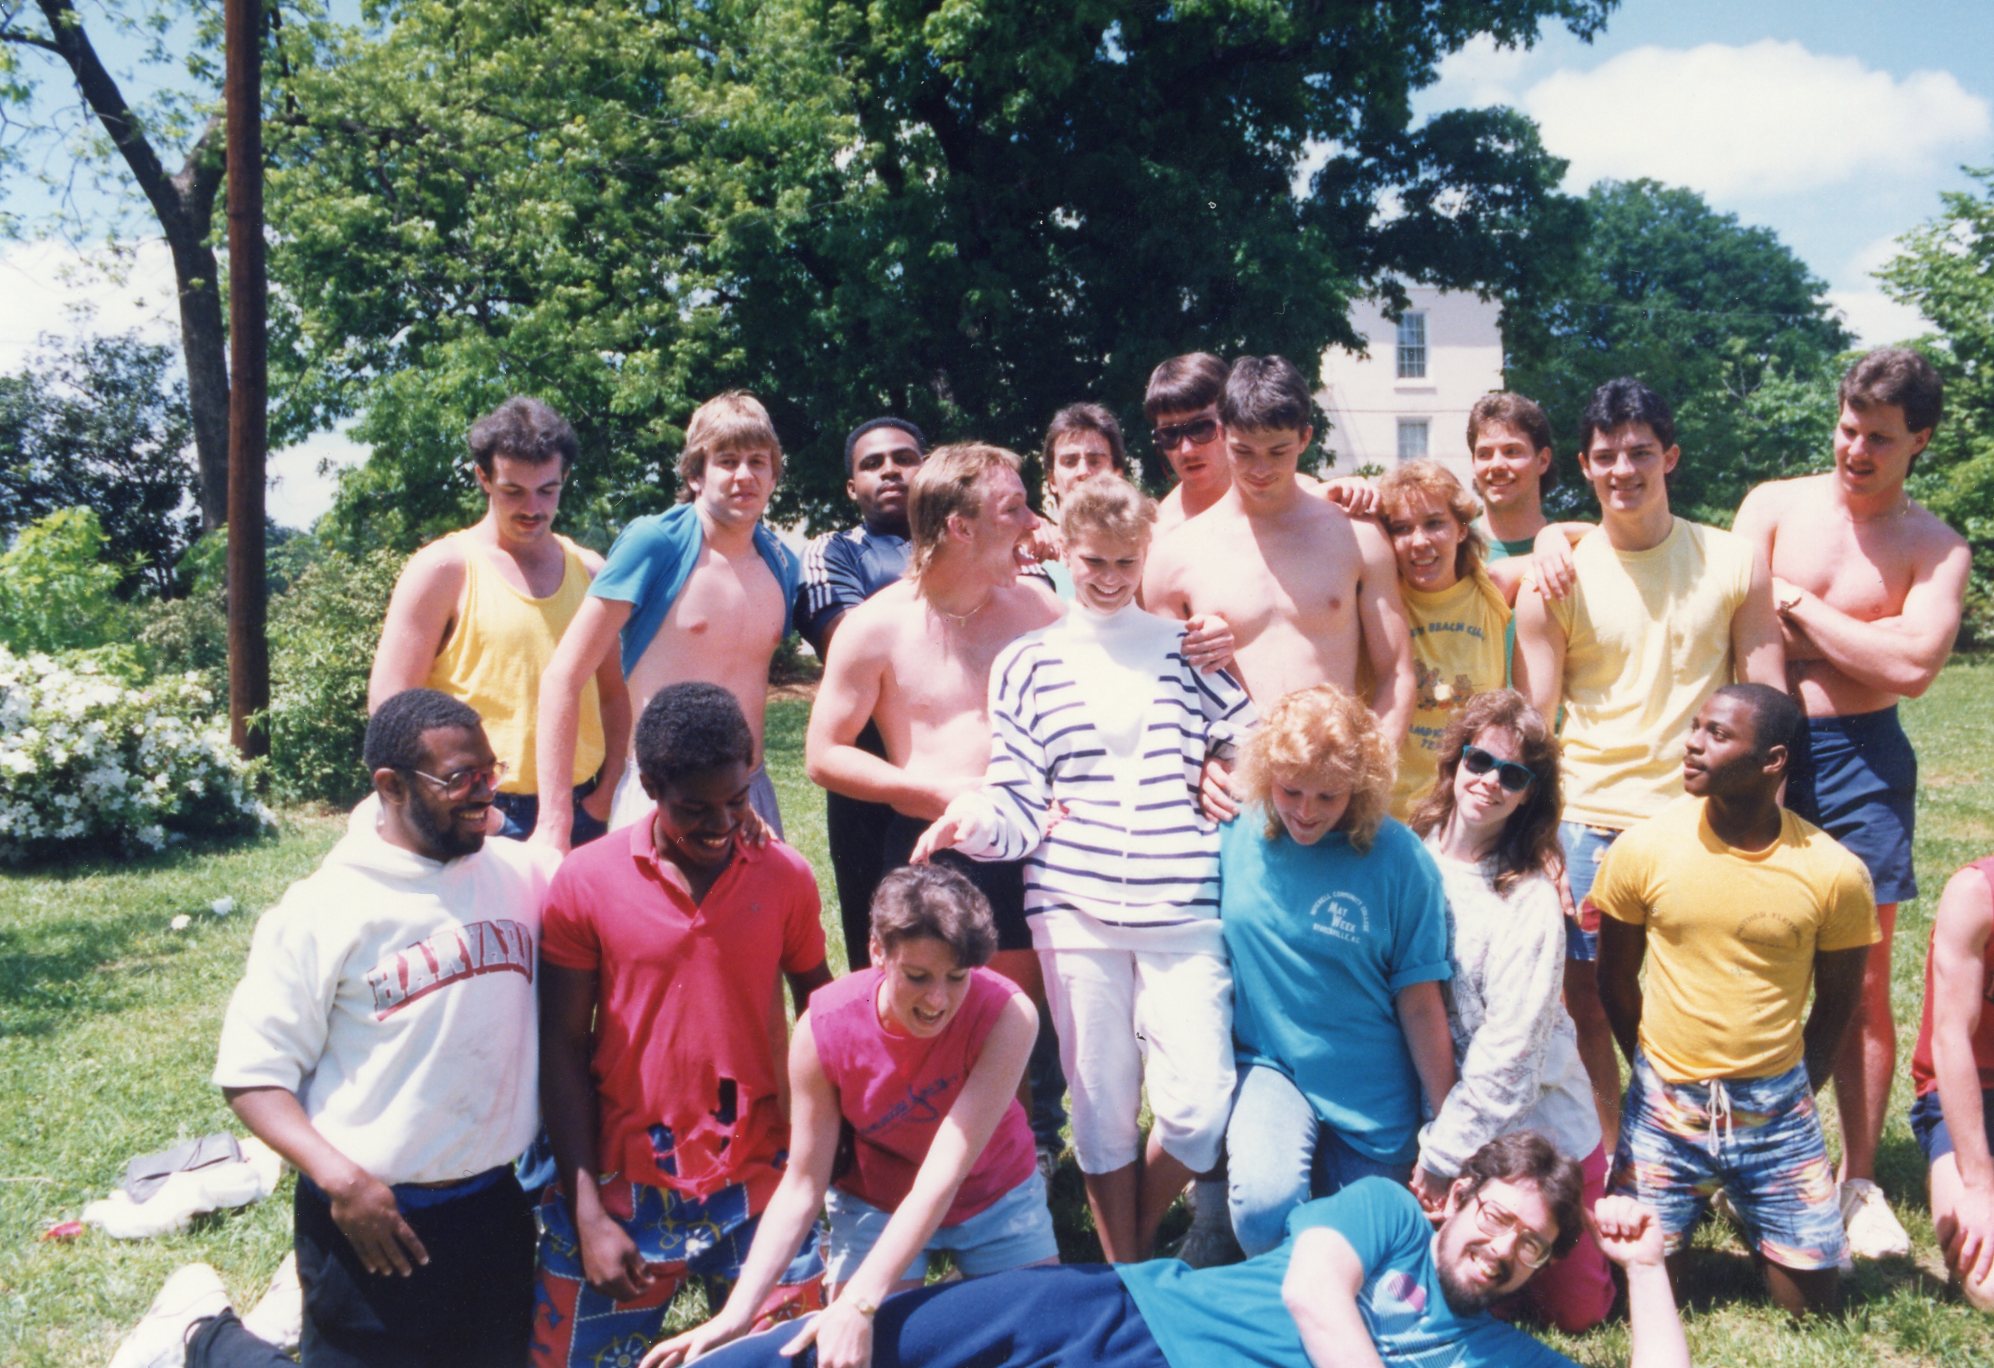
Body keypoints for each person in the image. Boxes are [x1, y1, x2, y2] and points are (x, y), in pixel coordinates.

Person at [914, 475, 1253, 1262]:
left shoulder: (1186, 647)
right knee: (1101, 1113)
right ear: (1064, 552)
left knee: (1200, 1112)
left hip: (1185, 909)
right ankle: (1126, 1275)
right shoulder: (1026, 663)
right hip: (1071, 911)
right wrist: (971, 821)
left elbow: (1252, 736)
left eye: (1126, 561)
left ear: (1146, 553)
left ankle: (1127, 1244)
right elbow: (1018, 797)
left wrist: (1229, 761)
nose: (1108, 577)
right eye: (1093, 560)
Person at [180, 690, 553, 1366]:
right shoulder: (326, 908)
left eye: (489, 772)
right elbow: (252, 1075)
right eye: (460, 778)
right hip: (371, 1219)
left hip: (494, 1208)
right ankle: (204, 1336)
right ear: (392, 785)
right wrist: (344, 1183)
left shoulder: (519, 874)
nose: (484, 793)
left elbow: (619, 880)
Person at [655, 1133, 1693, 1368]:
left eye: (1529, 1244)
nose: (1501, 1248)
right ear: (1454, 1197)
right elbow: (1312, 1293)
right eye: (1495, 1217)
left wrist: (1645, 1269)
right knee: (889, 1339)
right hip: (1127, 1312)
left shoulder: (1496, 1354)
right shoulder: (1386, 1210)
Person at [1733, 347, 1970, 1260]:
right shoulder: (1772, 506)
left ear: (1920, 441)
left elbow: (1912, 667)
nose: (1856, 451)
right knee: (1743, 957)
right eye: (1847, 429)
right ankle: (1747, 1159)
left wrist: (1796, 606)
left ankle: (1860, 1180)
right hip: (1761, 744)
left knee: (1861, 976)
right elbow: (1738, 624)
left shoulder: (1936, 548)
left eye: (1880, 438)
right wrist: (1857, 639)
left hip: (1865, 759)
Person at [1512, 376, 1785, 1152]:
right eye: (1605, 456)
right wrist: (1540, 837)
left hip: (1699, 819)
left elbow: (1769, 701)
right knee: (1588, 1004)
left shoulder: (1733, 561)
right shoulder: (1555, 579)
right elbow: (1534, 725)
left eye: (1639, 452)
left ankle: (1713, 1150)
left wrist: (1767, 827)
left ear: (1671, 456)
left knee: (1705, 998)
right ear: (1584, 466)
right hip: (1588, 818)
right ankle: (1617, 1160)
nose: (1622, 470)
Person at [644, 864, 1056, 1368]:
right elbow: (803, 1184)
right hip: (876, 1201)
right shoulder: (824, 1029)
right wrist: (736, 1315)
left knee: (1038, 1340)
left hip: (993, 1195)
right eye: (918, 976)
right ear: (877, 951)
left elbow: (941, 1177)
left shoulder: (1009, 1015)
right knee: (851, 1351)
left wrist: (860, 1300)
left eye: (957, 977)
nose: (938, 1000)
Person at [532, 683, 834, 1368]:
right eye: (694, 809)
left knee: (795, 1357)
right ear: (650, 788)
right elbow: (562, 1046)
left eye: (737, 800)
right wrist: (587, 1212)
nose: (720, 825)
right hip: (622, 1181)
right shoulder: (587, 880)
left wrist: (823, 1150)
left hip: (759, 1177)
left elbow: (821, 1011)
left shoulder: (783, 876)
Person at [1593, 683, 1876, 1316]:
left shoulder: (1833, 872)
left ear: (1773, 761)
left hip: (1776, 1110)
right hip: (1664, 1107)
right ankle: (1709, 1200)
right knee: (1638, 1292)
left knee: (1811, 1308)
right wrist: (1654, 1070)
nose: (1693, 744)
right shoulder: (1644, 848)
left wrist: (1793, 1092)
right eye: (1696, 727)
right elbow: (1613, 979)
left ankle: (1761, 1206)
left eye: (1718, 734)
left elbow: (1837, 1004)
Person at [1221, 683, 1455, 1256]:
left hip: (1370, 1087)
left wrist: (1448, 1131)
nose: (1305, 812)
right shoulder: (1233, 830)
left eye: (1329, 796)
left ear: (1362, 785)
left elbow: (1421, 1003)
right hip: (1273, 1066)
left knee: (1373, 1248)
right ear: (1265, 774)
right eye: (1290, 790)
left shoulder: (1400, 859)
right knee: (1261, 1215)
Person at [1406, 690, 1613, 1333]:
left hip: (1540, 1126)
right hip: (1428, 1110)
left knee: (1576, 1314)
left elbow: (1511, 1057)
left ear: (1529, 795)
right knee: (1454, 1300)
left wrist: (1443, 1158)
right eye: (1479, 761)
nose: (1490, 781)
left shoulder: (1528, 897)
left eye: (1513, 775)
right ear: (1454, 761)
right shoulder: (1407, 855)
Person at [534, 391, 801, 850]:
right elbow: (564, 676)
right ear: (696, 474)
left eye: (758, 461)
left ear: (774, 474)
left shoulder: (781, 562)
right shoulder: (656, 543)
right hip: (662, 794)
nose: (744, 475)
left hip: (749, 794)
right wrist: (554, 825)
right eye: (727, 461)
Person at [368, 396, 628, 844]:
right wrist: (465, 806)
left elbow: (615, 696)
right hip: (472, 811)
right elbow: (391, 707)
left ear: (565, 478)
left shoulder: (590, 572)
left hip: (581, 811)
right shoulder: (444, 569)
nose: (532, 507)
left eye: (547, 490)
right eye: (513, 491)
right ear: (483, 478)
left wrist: (605, 796)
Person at [1143, 355, 1413, 745]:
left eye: (1278, 451)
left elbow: (1397, 672)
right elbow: (1165, 693)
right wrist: (1201, 767)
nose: (1261, 469)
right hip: (1234, 773)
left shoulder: (1357, 536)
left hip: (1336, 767)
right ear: (1222, 433)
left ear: (1305, 438)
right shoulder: (1172, 558)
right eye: (1244, 451)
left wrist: (1372, 768)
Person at [797, 415, 928, 970]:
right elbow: (848, 647)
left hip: (969, 761)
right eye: (872, 464)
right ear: (852, 488)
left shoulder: (974, 538)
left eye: (904, 458)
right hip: (866, 769)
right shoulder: (833, 551)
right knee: (877, 928)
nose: (890, 471)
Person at [1375, 460, 1510, 817]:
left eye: (1434, 523)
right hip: (1392, 815)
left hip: (1470, 814)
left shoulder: (1492, 590)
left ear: (1462, 529)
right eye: (1401, 529)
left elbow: (1590, 540)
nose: (1419, 542)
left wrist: (1552, 535)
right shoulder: (1376, 602)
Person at [1912, 856, 1994, 1310]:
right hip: (1973, 1096)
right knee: (1988, 1284)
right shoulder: (1976, 894)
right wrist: (1981, 1188)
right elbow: (1950, 1039)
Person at [1034, 401, 1131, 597]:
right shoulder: (1034, 553)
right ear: (1052, 480)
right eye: (1069, 462)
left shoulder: (1140, 551)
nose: (1083, 472)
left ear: (1117, 473)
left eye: (1095, 461)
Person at [1145, 353, 1235, 534]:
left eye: (1201, 428)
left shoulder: (1289, 503)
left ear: (1233, 421)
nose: (1186, 450)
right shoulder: (1159, 533)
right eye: (1170, 434)